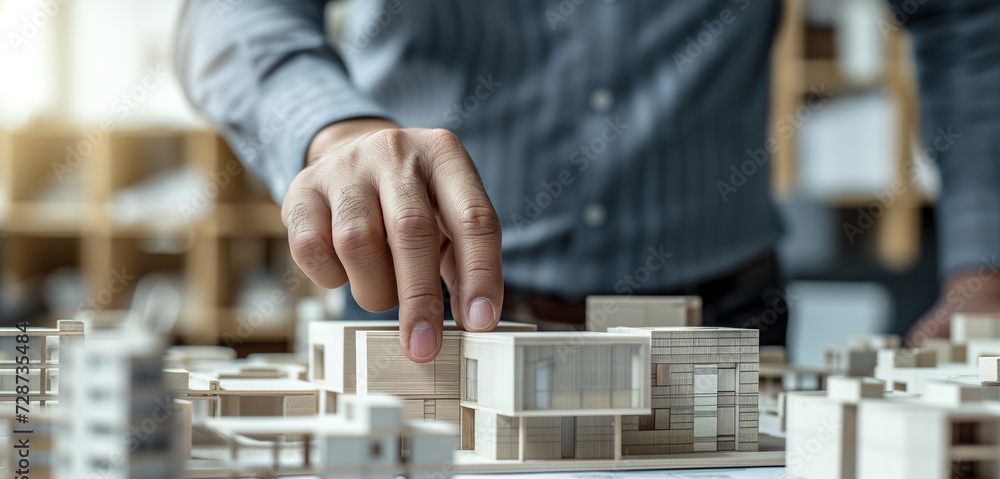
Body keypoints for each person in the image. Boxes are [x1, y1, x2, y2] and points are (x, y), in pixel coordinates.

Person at [175, 0, 1000, 363]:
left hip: (727, 316)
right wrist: (334, 127)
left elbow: (967, 18)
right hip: (420, 302)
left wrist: (984, 264)